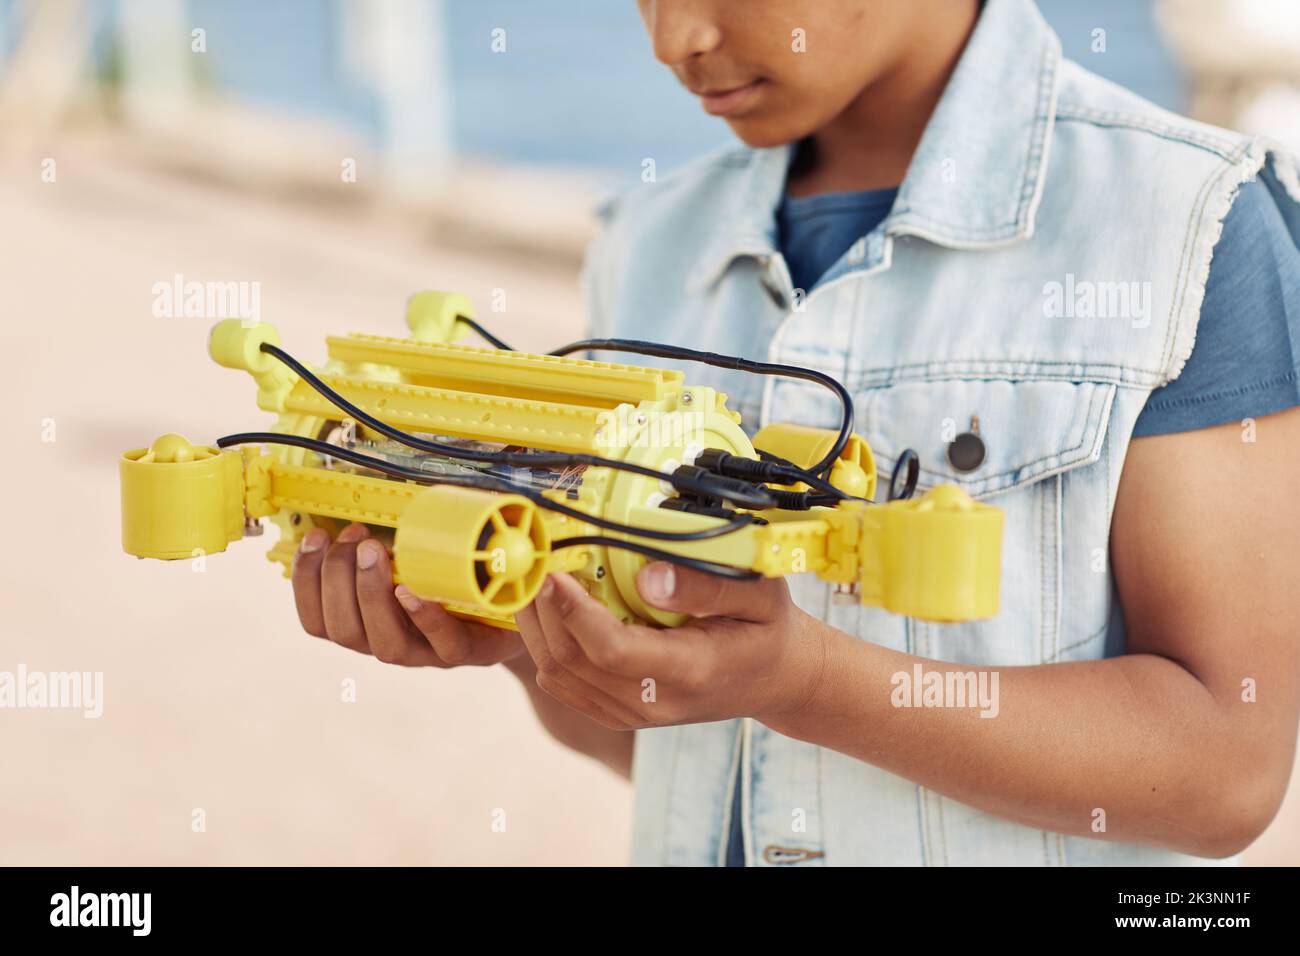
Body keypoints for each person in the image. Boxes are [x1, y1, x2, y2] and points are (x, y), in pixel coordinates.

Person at [290, 0, 1300, 865]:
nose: (674, 36)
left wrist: (807, 680)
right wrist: (522, 637)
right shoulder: (649, 240)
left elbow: (1222, 769)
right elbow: (674, 748)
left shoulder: (1181, 222)